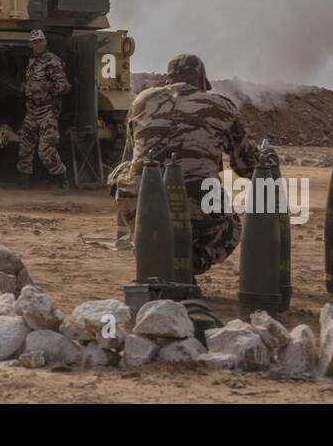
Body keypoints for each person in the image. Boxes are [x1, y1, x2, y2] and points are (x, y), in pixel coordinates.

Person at [107, 54, 257, 272]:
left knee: (121, 171)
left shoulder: (141, 101)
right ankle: (191, 264)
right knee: (232, 226)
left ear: (168, 80)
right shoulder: (222, 107)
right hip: (200, 212)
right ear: (201, 82)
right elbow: (248, 166)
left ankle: (138, 241)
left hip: (144, 208)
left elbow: (133, 152)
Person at [17, 29, 71, 193]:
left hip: (47, 109)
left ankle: (61, 182)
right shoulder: (32, 61)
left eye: (40, 41)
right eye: (34, 42)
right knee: (25, 146)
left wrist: (46, 89)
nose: (38, 44)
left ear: (45, 42)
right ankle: (23, 182)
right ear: (30, 44)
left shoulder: (52, 61)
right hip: (32, 108)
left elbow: (64, 86)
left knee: (46, 149)